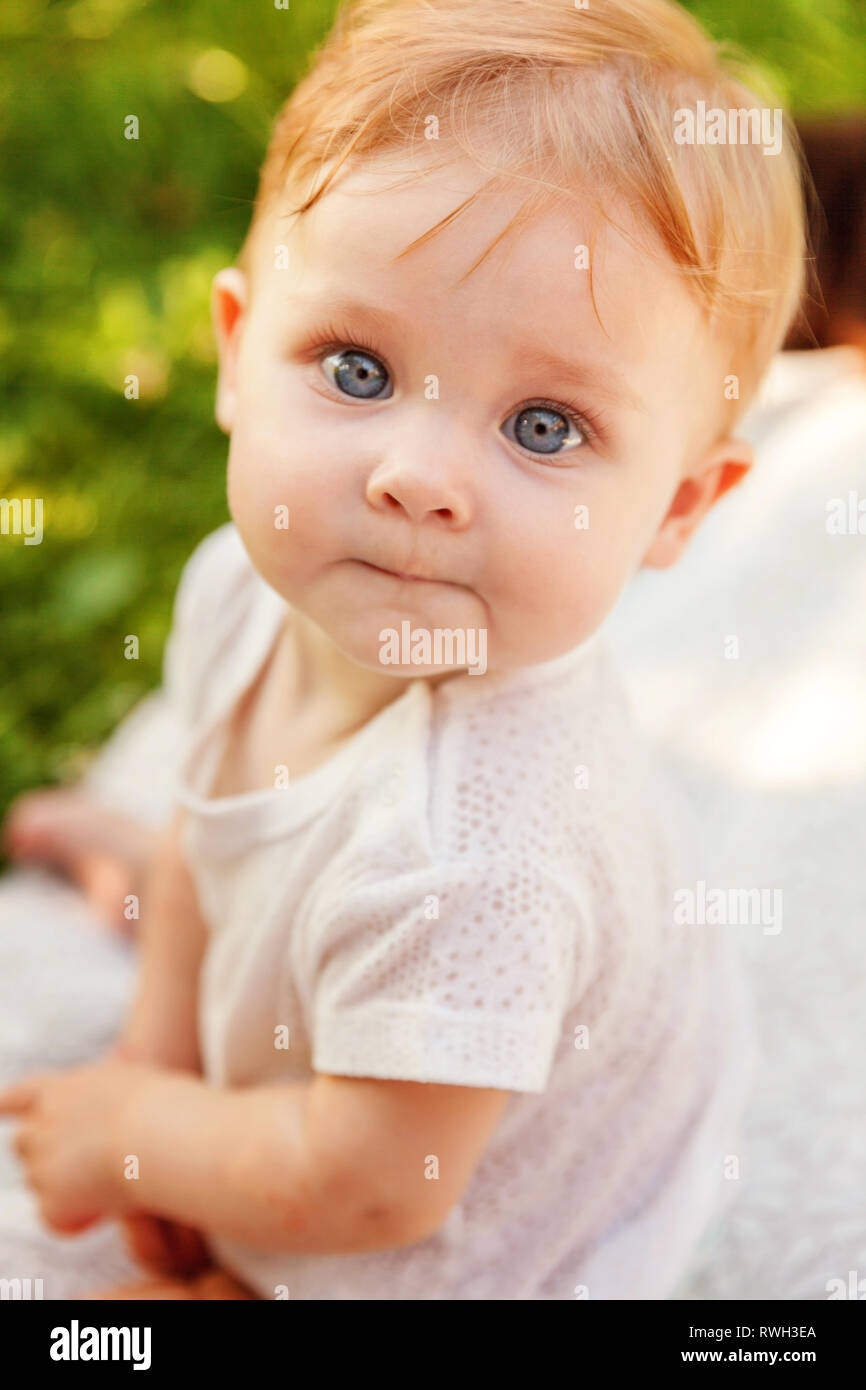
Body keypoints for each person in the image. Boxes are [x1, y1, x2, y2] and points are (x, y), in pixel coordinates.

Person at [0, 0, 809, 1299]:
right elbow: (209, 848)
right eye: (358, 369)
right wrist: (152, 1080)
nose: (418, 479)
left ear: (674, 509)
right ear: (232, 350)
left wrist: (142, 1143)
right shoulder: (240, 585)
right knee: (214, 864)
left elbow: (373, 1188)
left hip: (473, 1231)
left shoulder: (479, 851)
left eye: (543, 426)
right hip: (392, 1052)